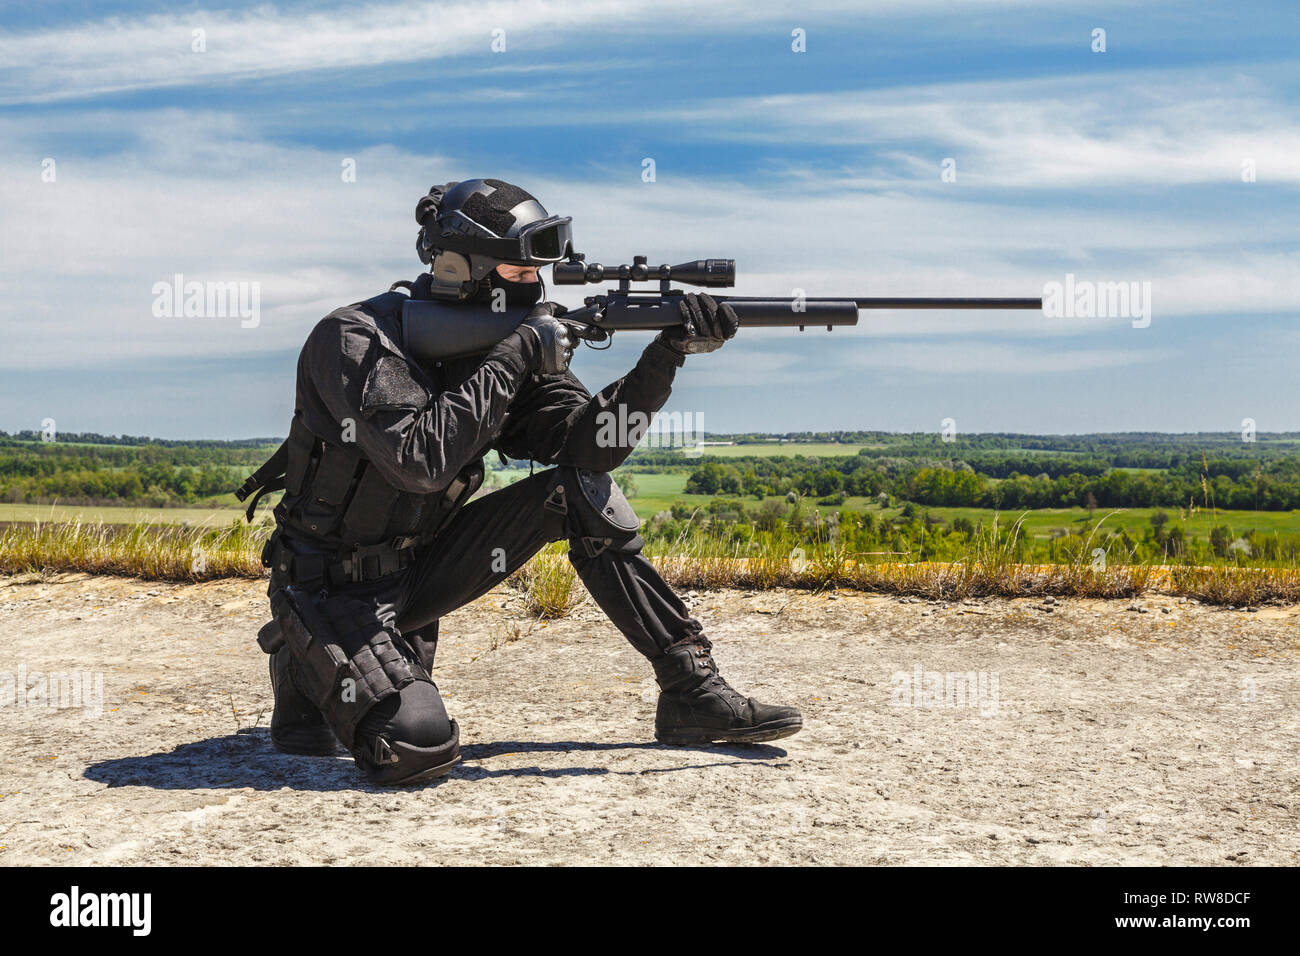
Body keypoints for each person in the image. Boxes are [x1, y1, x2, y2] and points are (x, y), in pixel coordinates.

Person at [239, 178, 802, 785]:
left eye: (540, 273)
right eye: (517, 270)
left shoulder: (511, 343)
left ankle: (692, 690)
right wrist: (514, 354)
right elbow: (419, 463)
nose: (535, 288)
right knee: (417, 748)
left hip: (420, 569)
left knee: (578, 492)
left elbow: (591, 449)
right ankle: (299, 657)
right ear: (463, 269)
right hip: (330, 586)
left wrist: (664, 359)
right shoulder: (354, 340)